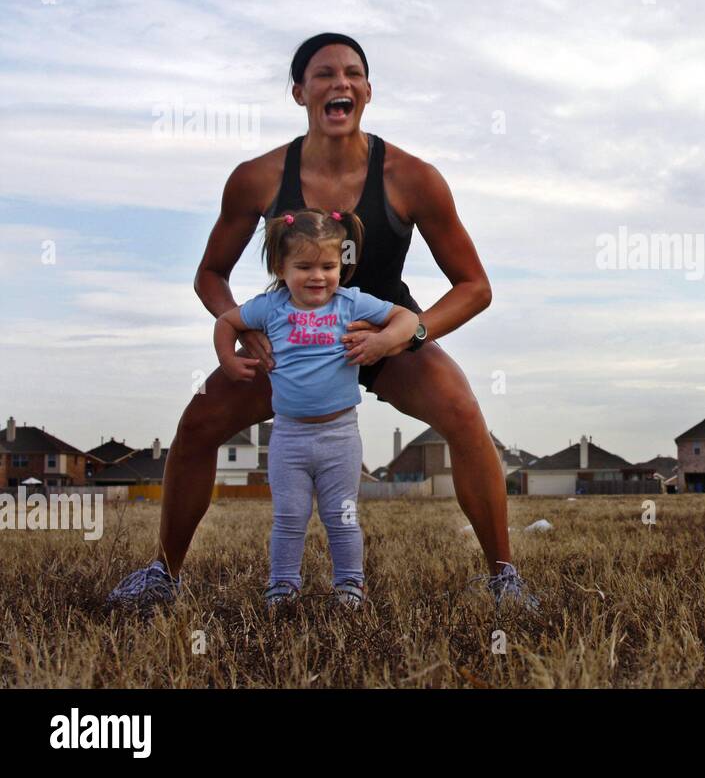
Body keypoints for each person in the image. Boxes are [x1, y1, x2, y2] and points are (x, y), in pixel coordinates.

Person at [108, 33, 538, 611]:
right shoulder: (256, 178)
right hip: (291, 342)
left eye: (353, 73)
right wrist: (240, 327)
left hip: (378, 335)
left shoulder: (413, 178)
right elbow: (210, 273)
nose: (341, 83)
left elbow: (475, 287)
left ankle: (503, 579)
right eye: (324, 74)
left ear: (368, 91)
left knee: (462, 412)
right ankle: (163, 575)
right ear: (298, 92)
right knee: (199, 422)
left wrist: (406, 333)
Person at [214, 208, 417, 610]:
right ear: (280, 266)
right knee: (288, 518)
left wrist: (382, 342)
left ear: (341, 264)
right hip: (288, 437)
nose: (318, 276)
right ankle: (282, 586)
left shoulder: (350, 303)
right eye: (304, 266)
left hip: (340, 436)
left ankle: (349, 587)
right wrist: (227, 359)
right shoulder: (270, 307)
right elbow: (226, 321)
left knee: (342, 517)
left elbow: (406, 317)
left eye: (327, 266)